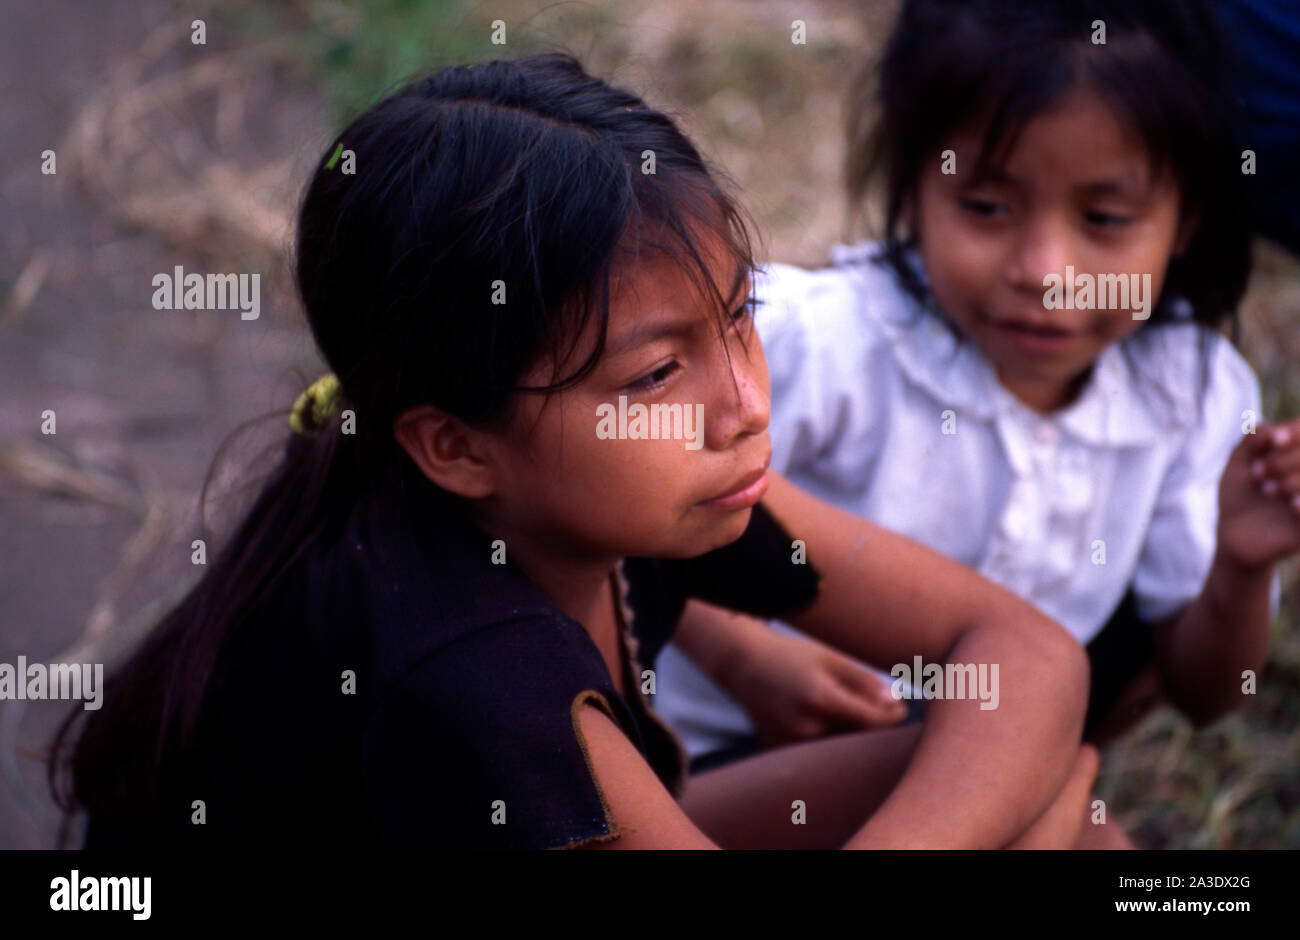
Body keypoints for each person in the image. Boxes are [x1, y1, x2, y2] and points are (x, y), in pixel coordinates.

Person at [46, 51, 1100, 850]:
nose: (740, 403)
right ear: (454, 445)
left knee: (1047, 791)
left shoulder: (631, 483)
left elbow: (1025, 653)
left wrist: (733, 641)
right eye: (653, 374)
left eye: (739, 319)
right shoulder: (482, 675)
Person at [652, 0, 1298, 842]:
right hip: (721, 762)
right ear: (915, 187)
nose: (1042, 271)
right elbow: (607, 510)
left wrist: (1241, 568)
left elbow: (1206, 693)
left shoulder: (1196, 391)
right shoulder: (820, 339)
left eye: (1104, 219)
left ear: (1189, 221)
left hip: (981, 751)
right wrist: (742, 653)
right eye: (986, 208)